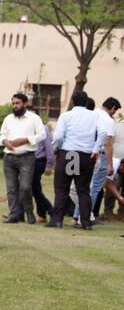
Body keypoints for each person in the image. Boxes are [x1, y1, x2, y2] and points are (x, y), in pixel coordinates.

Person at [48, 90, 102, 230]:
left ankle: (57, 220)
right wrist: (95, 150)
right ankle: (86, 222)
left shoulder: (66, 116)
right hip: (86, 155)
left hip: (69, 153)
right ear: (86, 101)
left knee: (61, 188)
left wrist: (55, 148)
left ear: (72, 101)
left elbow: (59, 136)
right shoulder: (95, 116)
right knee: (83, 190)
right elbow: (102, 134)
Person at [0, 92, 45, 224]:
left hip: (26, 157)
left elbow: (42, 135)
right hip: (9, 156)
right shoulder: (8, 118)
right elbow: (2, 135)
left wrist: (25, 140)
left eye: (17, 103)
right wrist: (4, 141)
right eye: (13, 103)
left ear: (25, 103)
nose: (15, 106)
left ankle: (29, 212)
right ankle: (14, 214)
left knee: (25, 187)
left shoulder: (34, 118)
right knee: (11, 188)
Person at [80, 96, 119, 225]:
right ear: (113, 108)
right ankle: (88, 215)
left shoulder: (92, 113)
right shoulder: (108, 121)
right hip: (99, 154)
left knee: (82, 185)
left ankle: (78, 215)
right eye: (115, 110)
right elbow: (108, 143)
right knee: (95, 188)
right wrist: (109, 164)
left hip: (83, 152)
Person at [31, 113, 56, 223]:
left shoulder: (43, 129)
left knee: (34, 188)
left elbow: (50, 148)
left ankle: (51, 210)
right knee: (36, 189)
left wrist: (49, 166)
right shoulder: (30, 129)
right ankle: (42, 215)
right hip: (30, 162)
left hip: (39, 161)